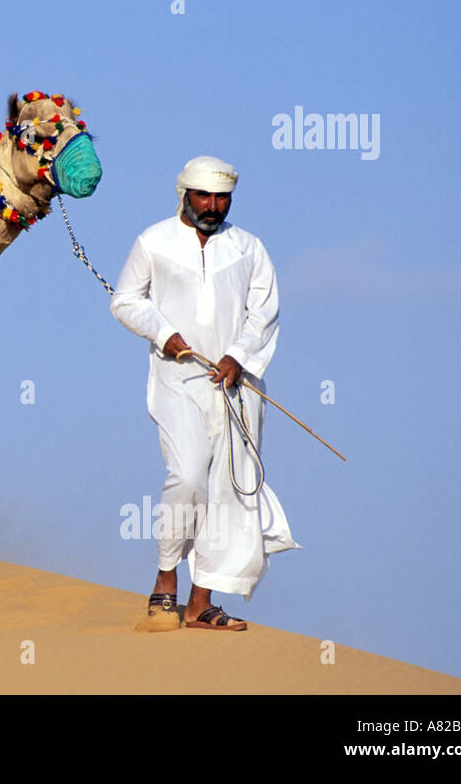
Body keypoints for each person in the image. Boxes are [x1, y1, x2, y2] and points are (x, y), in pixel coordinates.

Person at [110, 156, 297, 631]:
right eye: (203, 196)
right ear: (184, 194)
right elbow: (126, 300)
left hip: (238, 388)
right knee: (189, 477)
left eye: (221, 198)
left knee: (228, 493)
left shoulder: (248, 247)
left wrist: (239, 356)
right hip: (179, 380)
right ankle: (165, 579)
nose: (213, 206)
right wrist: (162, 332)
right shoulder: (153, 241)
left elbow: (265, 313)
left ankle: (200, 603)